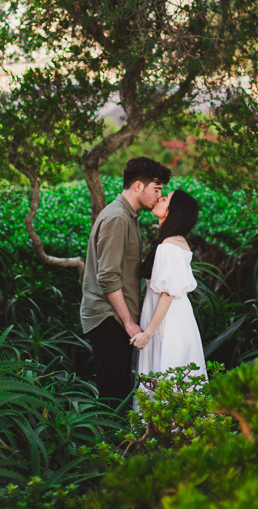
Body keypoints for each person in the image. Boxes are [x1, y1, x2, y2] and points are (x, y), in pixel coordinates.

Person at [80, 157, 171, 406]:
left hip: (115, 317)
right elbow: (108, 276)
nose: (159, 195)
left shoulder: (128, 216)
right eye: (157, 188)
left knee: (119, 389)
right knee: (113, 395)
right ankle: (108, 444)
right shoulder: (118, 218)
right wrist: (129, 323)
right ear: (139, 186)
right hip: (109, 318)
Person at [131, 188, 207, 390]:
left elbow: (167, 294)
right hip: (173, 320)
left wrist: (147, 334)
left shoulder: (169, 245)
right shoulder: (176, 241)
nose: (159, 198)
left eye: (165, 199)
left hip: (165, 322)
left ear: (174, 211)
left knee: (164, 381)